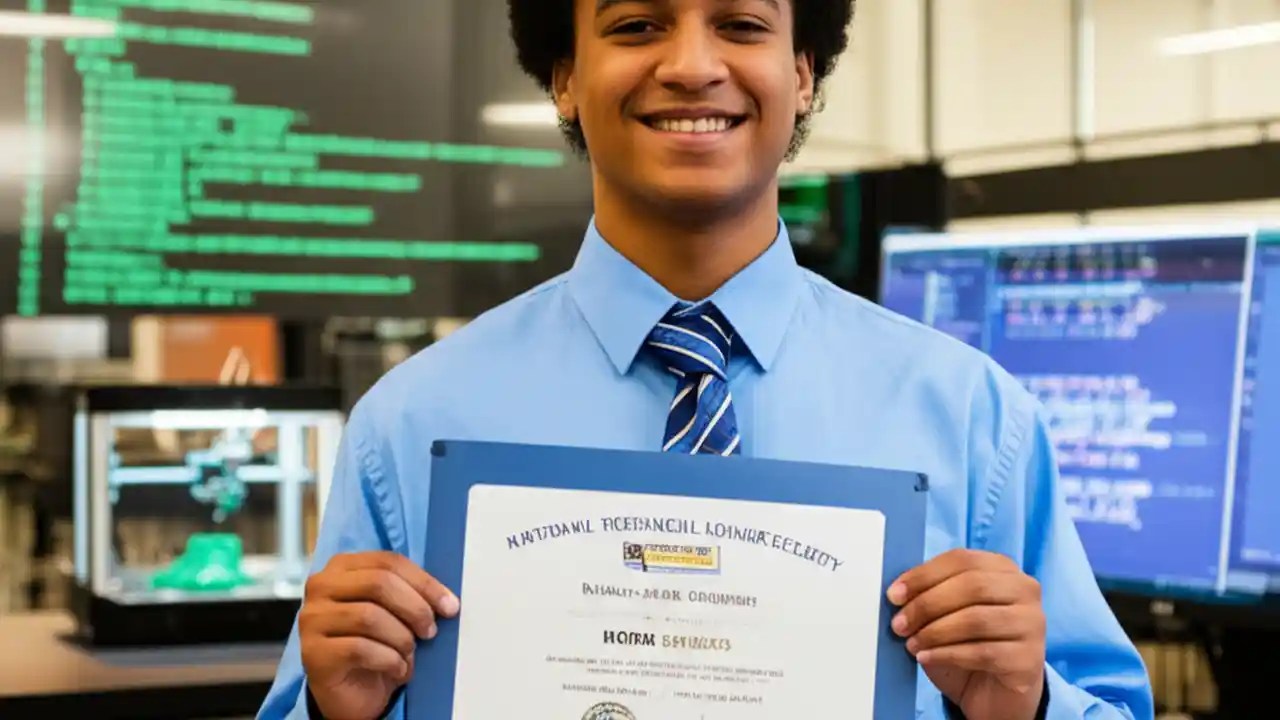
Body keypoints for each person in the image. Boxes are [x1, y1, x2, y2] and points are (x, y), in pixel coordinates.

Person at [258, 0, 1155, 718]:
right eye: (636, 25)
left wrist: (1028, 705)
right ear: (564, 78)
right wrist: (344, 715)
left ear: (802, 74)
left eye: (741, 24)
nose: (691, 64)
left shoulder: (970, 416)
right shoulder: (410, 423)